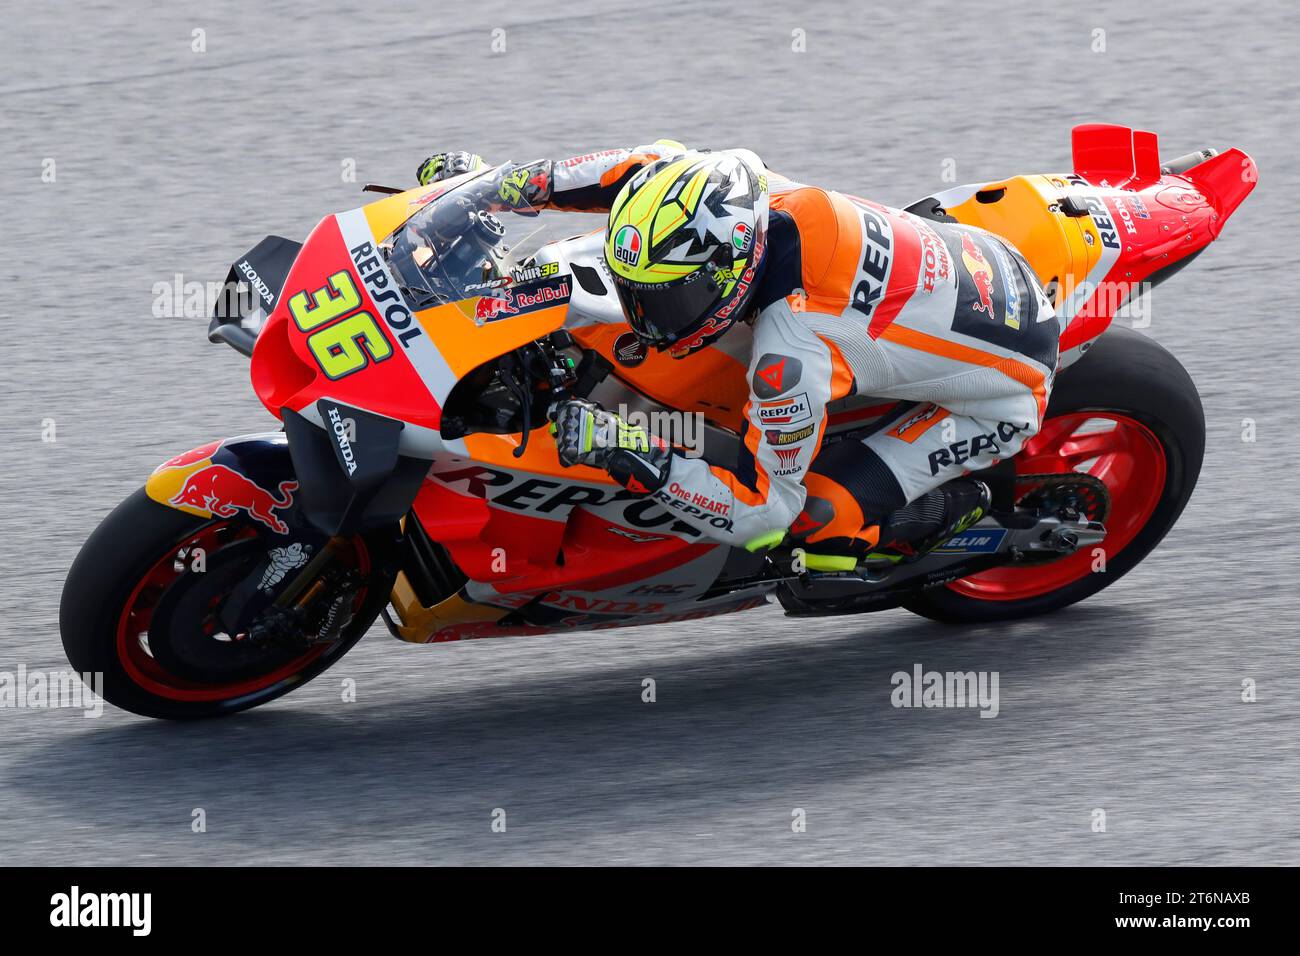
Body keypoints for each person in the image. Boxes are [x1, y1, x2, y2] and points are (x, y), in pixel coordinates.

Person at [416, 144, 1060, 564]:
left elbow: (762, 513)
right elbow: (602, 173)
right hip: (967, 263)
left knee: (814, 530)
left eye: (665, 301)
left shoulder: (790, 359)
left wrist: (633, 450)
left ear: (731, 270)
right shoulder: (715, 185)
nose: (643, 316)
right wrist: (483, 193)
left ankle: (955, 511)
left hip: (1002, 392)